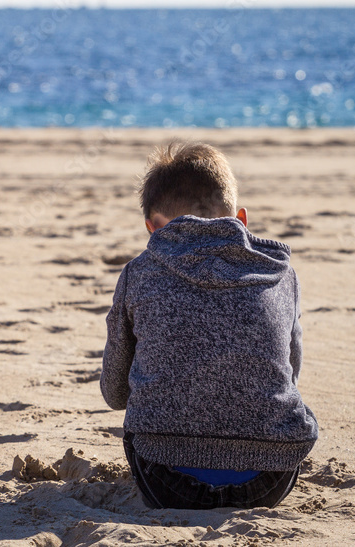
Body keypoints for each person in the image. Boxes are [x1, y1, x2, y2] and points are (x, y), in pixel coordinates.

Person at [100, 140, 318, 510]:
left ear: (152, 228)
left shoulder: (138, 274)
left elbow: (115, 394)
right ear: (241, 221)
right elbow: (290, 372)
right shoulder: (282, 275)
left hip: (165, 477)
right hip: (270, 478)